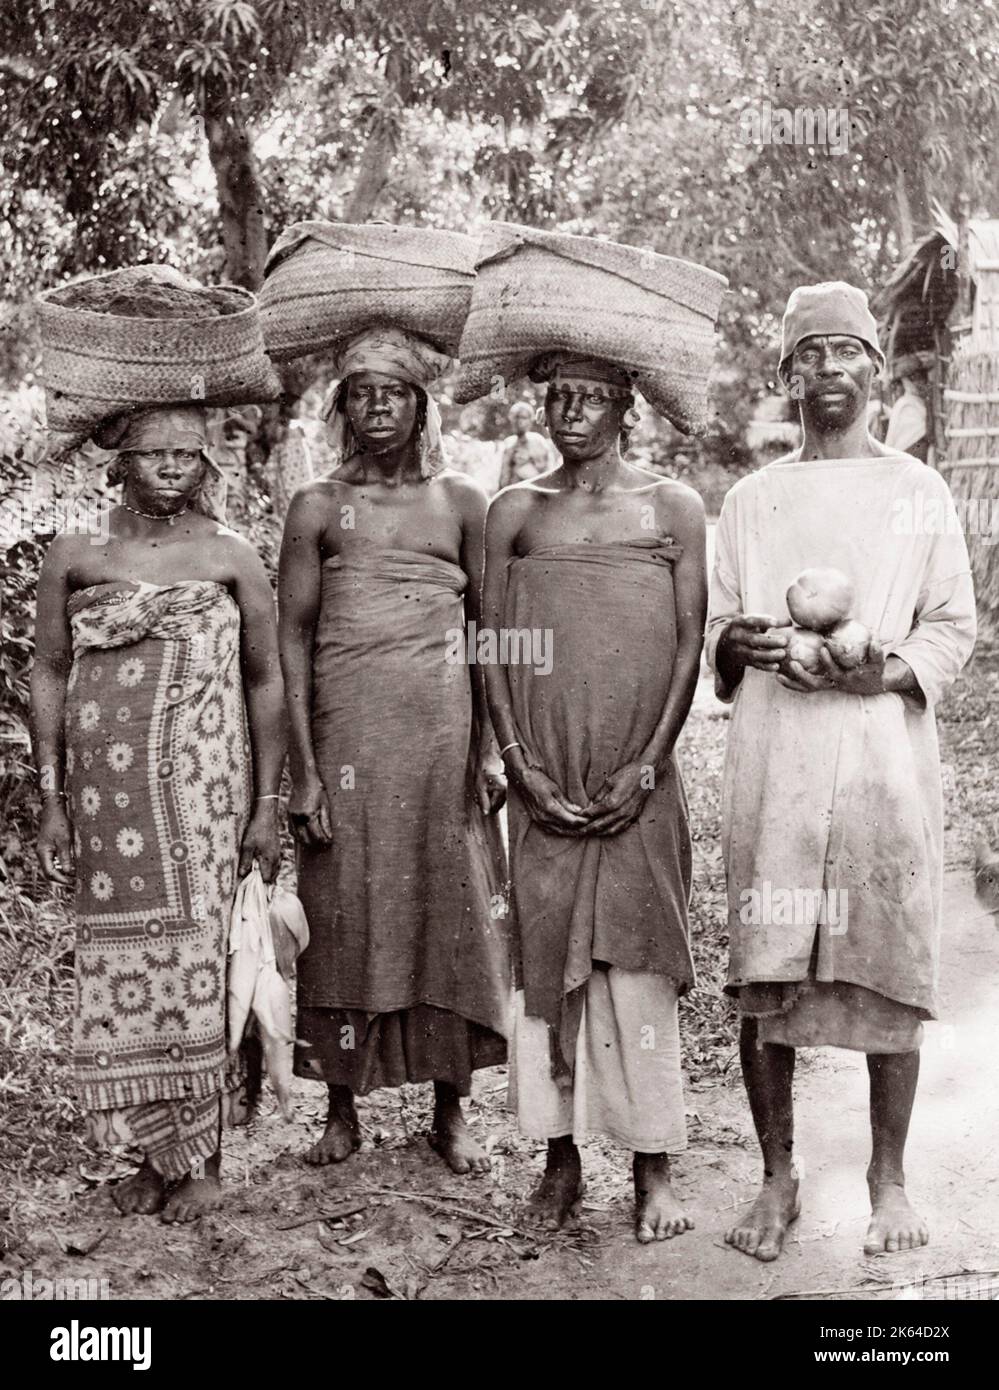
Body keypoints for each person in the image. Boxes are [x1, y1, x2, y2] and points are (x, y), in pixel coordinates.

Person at [707, 282, 976, 1262]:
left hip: (878, 762)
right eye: (808, 354)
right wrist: (743, 640)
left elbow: (953, 624)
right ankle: (778, 1178)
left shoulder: (917, 492)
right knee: (769, 970)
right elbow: (718, 637)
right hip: (776, 758)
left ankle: (887, 1176)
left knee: (887, 960)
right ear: (785, 376)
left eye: (843, 352)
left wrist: (882, 667)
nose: (827, 370)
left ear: (875, 367)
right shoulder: (752, 500)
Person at [32, 406, 285, 1222]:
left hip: (203, 799)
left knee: (199, 965)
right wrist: (52, 800)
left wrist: (266, 805)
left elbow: (265, 681)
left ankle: (202, 1158)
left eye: (187, 453)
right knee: (120, 971)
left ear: (206, 462)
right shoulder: (77, 552)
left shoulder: (229, 554)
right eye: (154, 453)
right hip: (108, 808)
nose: (172, 467)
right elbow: (47, 670)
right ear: (119, 459)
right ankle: (149, 1153)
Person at [483, 355, 705, 1241]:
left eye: (591, 398)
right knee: (546, 965)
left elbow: (690, 645)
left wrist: (648, 764)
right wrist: (516, 763)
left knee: (636, 963)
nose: (571, 413)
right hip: (543, 775)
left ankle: (653, 1167)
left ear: (626, 410)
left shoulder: (670, 507)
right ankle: (560, 1163)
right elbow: (489, 645)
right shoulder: (517, 511)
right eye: (558, 396)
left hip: (635, 774)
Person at [278, 326, 509, 1176]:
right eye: (361, 392)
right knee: (341, 911)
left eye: (395, 392)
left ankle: (451, 1110)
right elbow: (291, 640)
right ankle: (340, 1107)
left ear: (422, 406)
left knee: (447, 914)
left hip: (441, 740)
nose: (378, 406)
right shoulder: (316, 505)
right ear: (341, 406)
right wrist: (303, 772)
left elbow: (491, 633)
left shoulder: (461, 502)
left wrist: (489, 748)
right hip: (347, 739)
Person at [496, 400, 554, 491]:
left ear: (530, 420)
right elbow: (502, 475)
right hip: (509, 495)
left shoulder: (538, 441)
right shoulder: (508, 442)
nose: (519, 421)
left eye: (523, 417)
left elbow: (546, 473)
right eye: (516, 417)